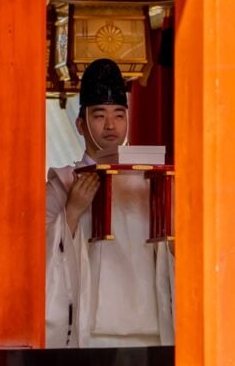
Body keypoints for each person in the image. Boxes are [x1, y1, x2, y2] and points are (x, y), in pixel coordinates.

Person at [45, 58, 174, 347]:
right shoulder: (62, 184)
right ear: (81, 124)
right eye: (99, 115)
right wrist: (74, 211)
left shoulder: (151, 179)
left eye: (119, 115)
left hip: (151, 326)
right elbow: (38, 258)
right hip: (89, 328)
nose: (111, 126)